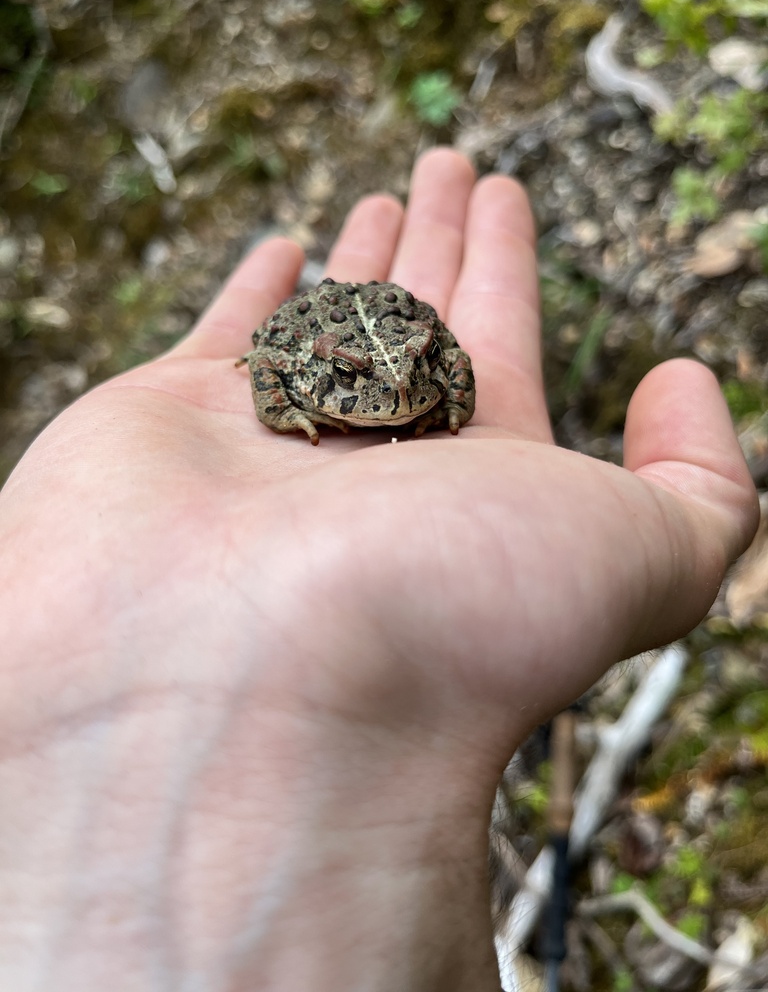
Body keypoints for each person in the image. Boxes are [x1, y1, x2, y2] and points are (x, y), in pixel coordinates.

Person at [0, 147, 757, 991]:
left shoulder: (420, 368)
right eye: (368, 384)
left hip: (396, 326)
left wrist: (444, 404)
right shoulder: (307, 358)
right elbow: (272, 361)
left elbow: (453, 364)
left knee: (411, 353)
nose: (397, 398)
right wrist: (294, 406)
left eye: (411, 384)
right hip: (332, 333)